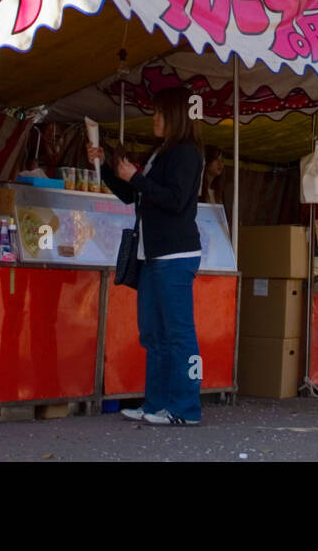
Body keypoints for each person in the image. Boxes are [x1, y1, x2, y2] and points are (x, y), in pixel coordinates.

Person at [88, 87, 205, 426]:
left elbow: (175, 200)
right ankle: (155, 403)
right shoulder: (162, 152)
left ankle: (185, 408)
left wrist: (136, 177)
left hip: (176, 255)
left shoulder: (186, 153)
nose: (154, 119)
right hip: (151, 255)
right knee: (153, 333)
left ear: (176, 117)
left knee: (179, 332)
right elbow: (131, 194)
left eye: (160, 113)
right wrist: (106, 168)